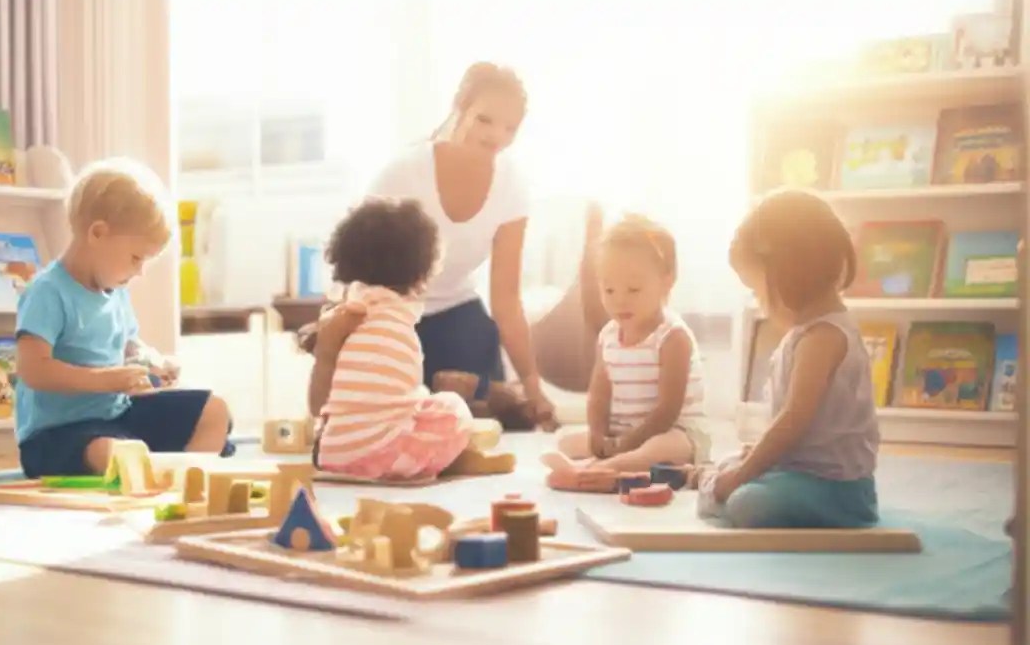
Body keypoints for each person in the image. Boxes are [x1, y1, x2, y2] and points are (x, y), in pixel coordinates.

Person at [365, 61, 555, 430]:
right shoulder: (401, 175)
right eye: (485, 119)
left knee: (493, 422)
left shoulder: (512, 185)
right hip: (392, 313)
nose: (495, 135)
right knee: (400, 424)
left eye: (509, 128)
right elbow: (358, 273)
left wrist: (533, 385)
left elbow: (507, 299)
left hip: (456, 312)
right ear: (459, 106)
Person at [13, 158, 233, 478]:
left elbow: (128, 344)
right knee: (111, 450)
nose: (139, 271)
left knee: (214, 410)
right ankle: (156, 470)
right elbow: (32, 370)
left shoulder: (115, 292)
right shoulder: (47, 291)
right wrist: (103, 380)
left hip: (118, 417)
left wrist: (153, 361)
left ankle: (186, 478)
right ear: (98, 234)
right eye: (135, 258)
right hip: (58, 434)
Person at [702, 188, 879, 528]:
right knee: (730, 464)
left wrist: (742, 475)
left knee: (745, 503)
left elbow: (793, 420)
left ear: (790, 273)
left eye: (757, 290)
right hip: (803, 473)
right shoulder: (806, 334)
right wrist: (747, 460)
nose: (759, 302)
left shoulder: (822, 339)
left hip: (837, 489)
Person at [306, 198, 473, 482]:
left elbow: (318, 406)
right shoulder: (399, 318)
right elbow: (404, 402)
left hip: (331, 457)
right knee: (453, 409)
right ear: (421, 275)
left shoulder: (342, 317)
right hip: (381, 459)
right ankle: (401, 465)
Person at [541, 215, 709, 491]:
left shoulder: (672, 336)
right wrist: (598, 433)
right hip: (621, 434)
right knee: (563, 440)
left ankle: (602, 470)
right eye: (609, 289)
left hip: (674, 432)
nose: (620, 300)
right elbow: (599, 394)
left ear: (667, 281)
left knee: (661, 448)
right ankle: (607, 466)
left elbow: (668, 409)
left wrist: (629, 444)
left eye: (633, 289)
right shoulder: (608, 336)